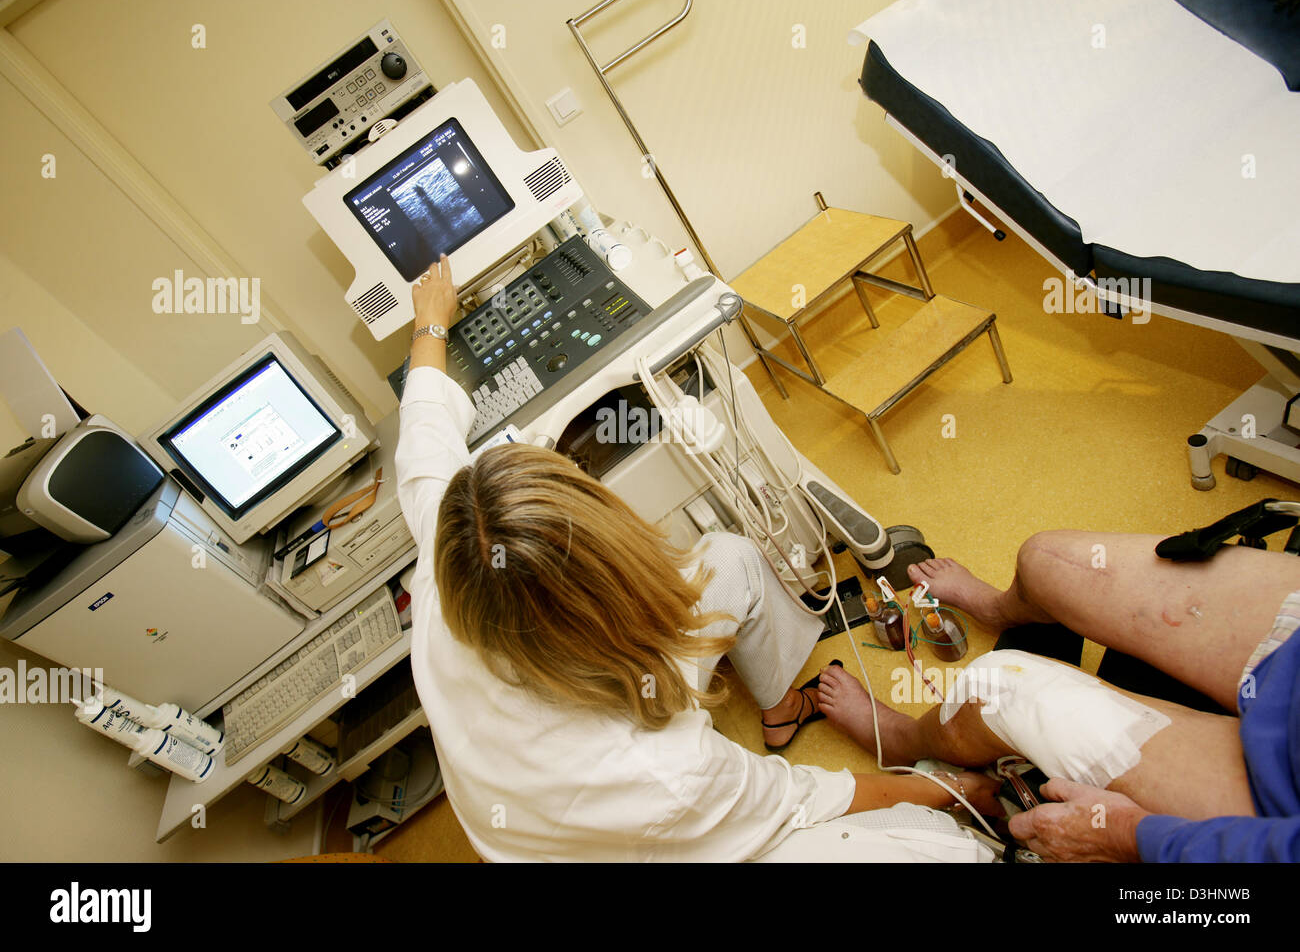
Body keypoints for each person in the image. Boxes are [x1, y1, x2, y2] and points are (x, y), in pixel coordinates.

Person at [394, 256, 1002, 861]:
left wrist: (432, 322)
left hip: (569, 679)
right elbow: (794, 799)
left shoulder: (452, 543)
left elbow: (424, 426)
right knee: (943, 851)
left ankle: (782, 711)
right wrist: (945, 790)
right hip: (613, 831)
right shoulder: (658, 775)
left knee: (731, 560)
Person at [814, 531, 1300, 862]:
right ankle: (998, 609)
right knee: (1047, 562)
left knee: (996, 683)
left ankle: (903, 739)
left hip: (1279, 802)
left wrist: (1124, 835)